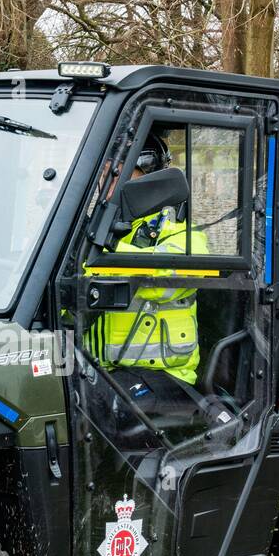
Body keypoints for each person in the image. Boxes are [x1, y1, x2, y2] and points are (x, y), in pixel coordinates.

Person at [85, 133, 230, 442]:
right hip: (103, 369)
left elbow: (162, 273)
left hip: (166, 377)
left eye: (118, 173)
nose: (105, 185)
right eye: (104, 174)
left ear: (149, 180)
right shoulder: (104, 234)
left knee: (100, 409)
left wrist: (90, 258)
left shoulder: (182, 237)